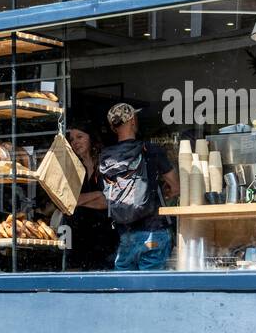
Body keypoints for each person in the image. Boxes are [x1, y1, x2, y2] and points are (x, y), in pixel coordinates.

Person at [98, 103, 179, 270]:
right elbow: (176, 186)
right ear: (133, 120)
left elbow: (106, 196)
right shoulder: (150, 150)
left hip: (125, 236)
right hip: (153, 232)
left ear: (113, 127)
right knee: (152, 291)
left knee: (124, 290)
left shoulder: (107, 158)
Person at [65, 121, 118, 270]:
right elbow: (66, 201)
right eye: (72, 139)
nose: (75, 142)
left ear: (91, 138)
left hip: (104, 236)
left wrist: (78, 200)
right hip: (79, 235)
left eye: (79, 137)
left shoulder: (106, 163)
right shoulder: (75, 168)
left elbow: (108, 201)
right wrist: (97, 194)